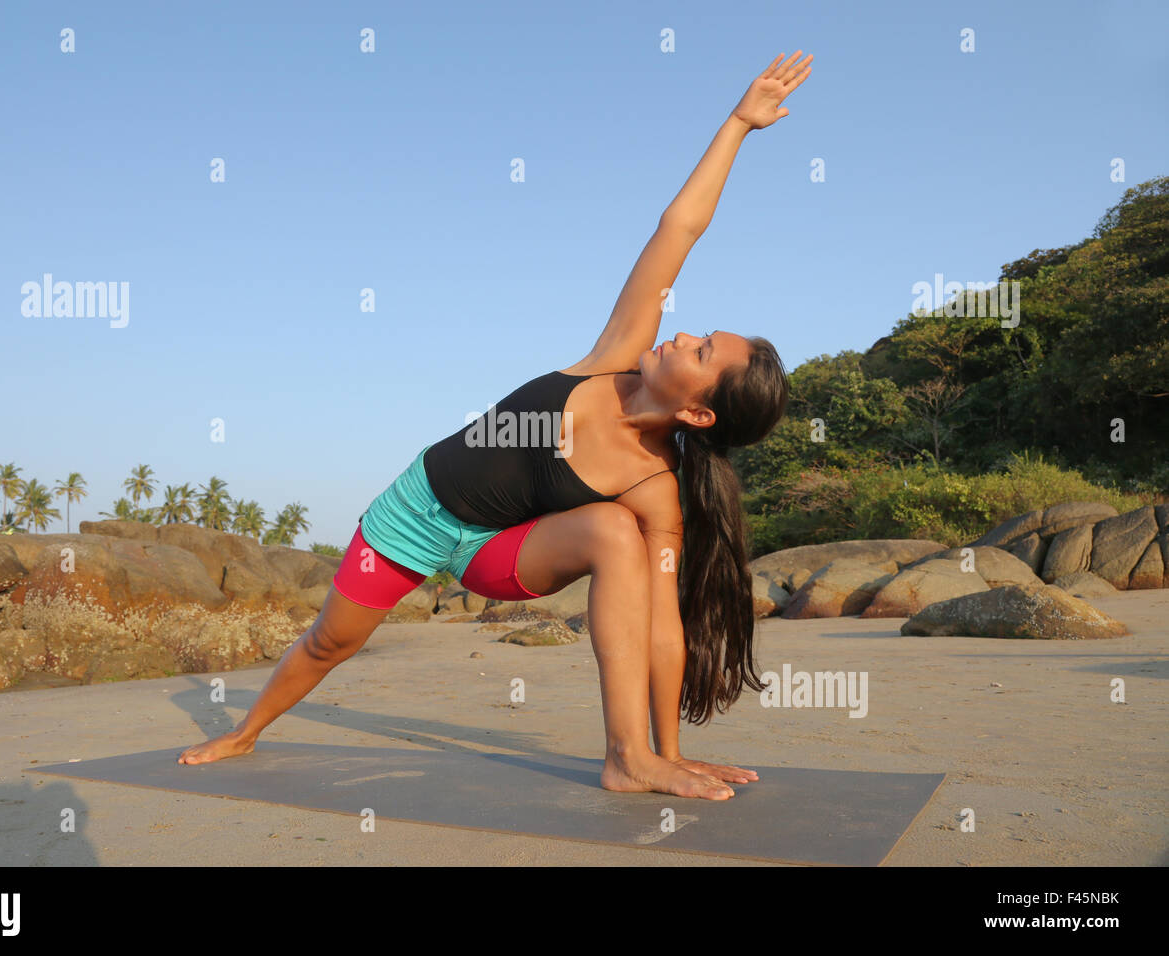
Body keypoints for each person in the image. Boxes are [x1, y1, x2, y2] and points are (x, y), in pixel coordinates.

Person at [180, 51, 810, 800]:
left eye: (701, 351)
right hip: (415, 511)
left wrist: (670, 754)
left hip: (497, 555)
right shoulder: (614, 355)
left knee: (615, 534)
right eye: (698, 331)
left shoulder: (655, 489)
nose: (681, 335)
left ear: (699, 412)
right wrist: (738, 123)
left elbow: (663, 626)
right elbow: (679, 229)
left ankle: (630, 756)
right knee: (330, 641)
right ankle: (247, 731)